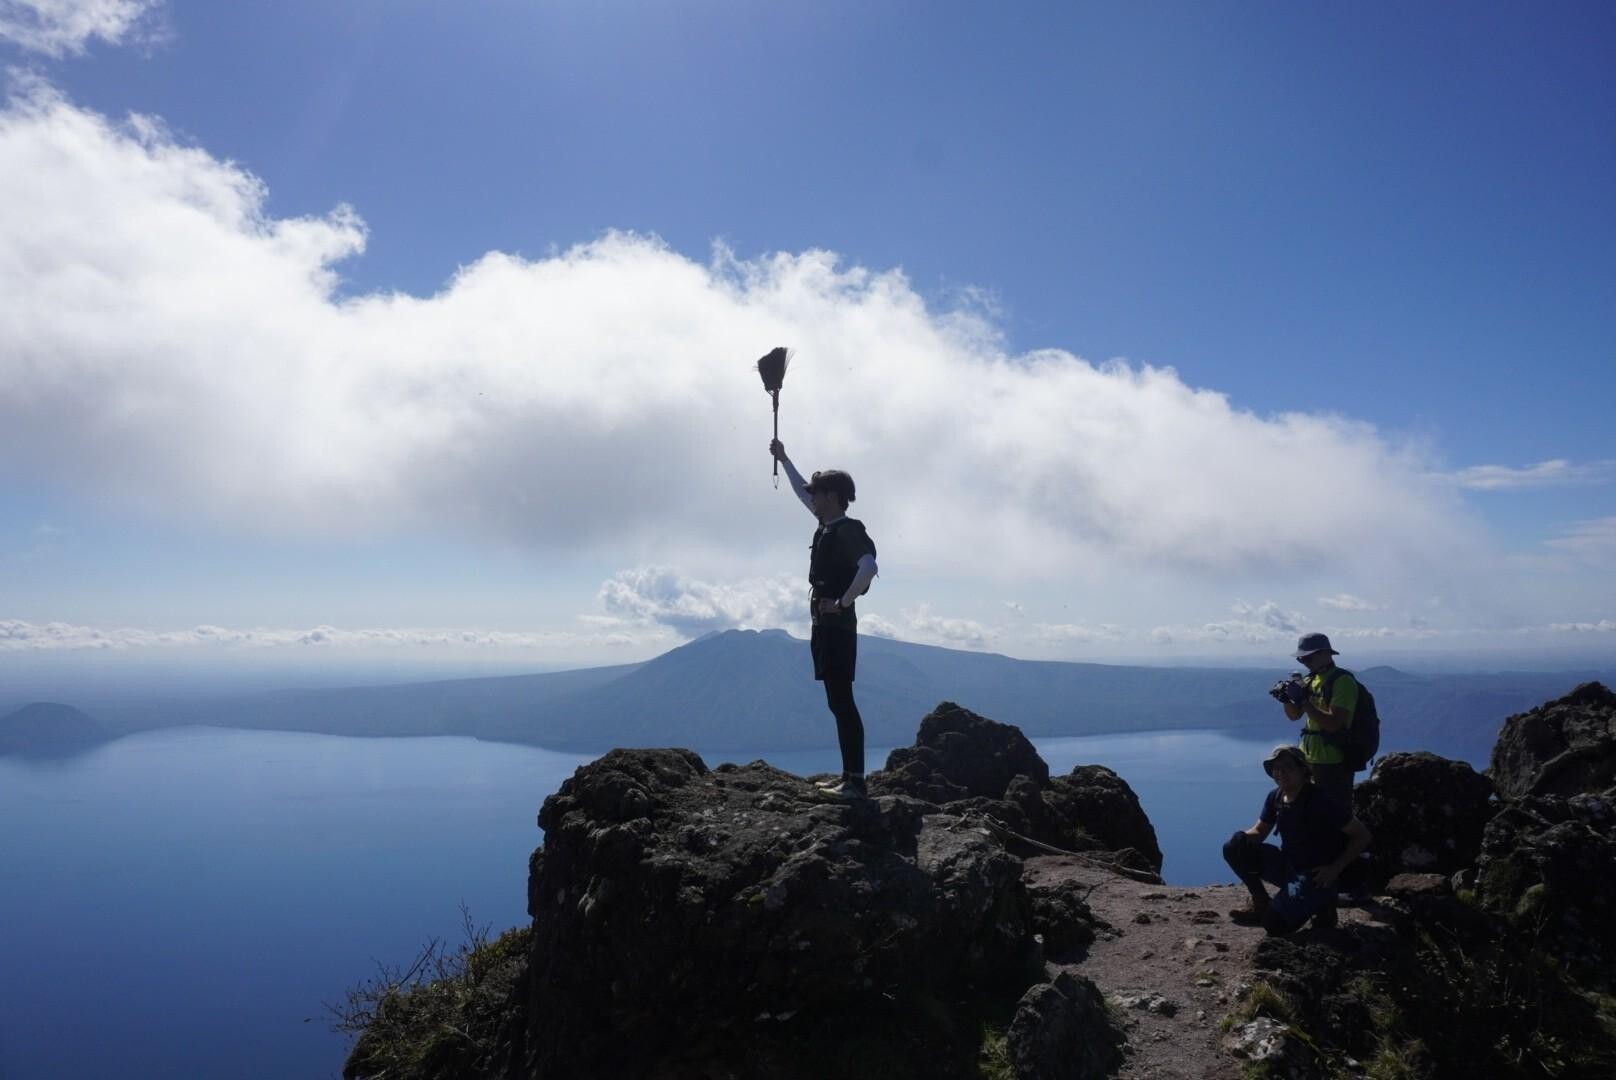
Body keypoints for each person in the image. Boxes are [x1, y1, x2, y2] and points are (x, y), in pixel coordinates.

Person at [770, 438, 879, 799]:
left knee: (842, 701)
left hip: (836, 627)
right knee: (837, 700)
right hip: (826, 626)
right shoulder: (830, 526)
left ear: (832, 496)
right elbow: (803, 493)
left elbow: (868, 567)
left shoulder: (847, 531)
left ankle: (855, 782)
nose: (811, 498)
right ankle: (849, 777)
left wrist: (843, 603)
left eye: (817, 493)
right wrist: (785, 460)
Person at [1222, 745, 1372, 935]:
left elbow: (1362, 835)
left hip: (1315, 876)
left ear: (1303, 770)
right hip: (1289, 866)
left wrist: (1334, 869)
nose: (1281, 773)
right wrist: (1242, 837)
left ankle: (1323, 905)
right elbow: (1260, 832)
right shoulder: (1276, 797)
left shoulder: (1320, 801)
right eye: (1276, 768)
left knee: (1274, 925)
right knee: (1233, 848)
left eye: (1287, 767)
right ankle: (1261, 902)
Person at [1280, 632, 1359, 809]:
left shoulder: (1342, 681)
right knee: (1307, 810)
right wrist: (1285, 699)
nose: (1305, 663)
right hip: (1307, 758)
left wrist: (1304, 701)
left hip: (1332, 760)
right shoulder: (1310, 680)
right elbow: (1294, 716)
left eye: (1308, 658)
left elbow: (1334, 724)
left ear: (1326, 653)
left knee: (1333, 814)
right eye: (1301, 659)